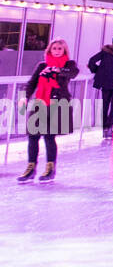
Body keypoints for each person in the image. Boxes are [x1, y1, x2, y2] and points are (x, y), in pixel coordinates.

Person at [16, 39, 78, 184]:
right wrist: (24, 97)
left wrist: (58, 70)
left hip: (58, 102)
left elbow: (73, 73)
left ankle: (50, 168)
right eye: (54, 48)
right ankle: (31, 167)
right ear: (49, 50)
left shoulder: (69, 64)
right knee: (33, 136)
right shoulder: (42, 66)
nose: (56, 51)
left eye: (59, 49)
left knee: (49, 136)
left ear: (64, 51)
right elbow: (31, 83)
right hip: (41, 102)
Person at [88, 34, 113, 144]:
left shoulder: (106, 52)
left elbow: (92, 61)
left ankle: (105, 129)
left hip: (107, 83)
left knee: (106, 106)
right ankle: (108, 128)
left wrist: (98, 71)